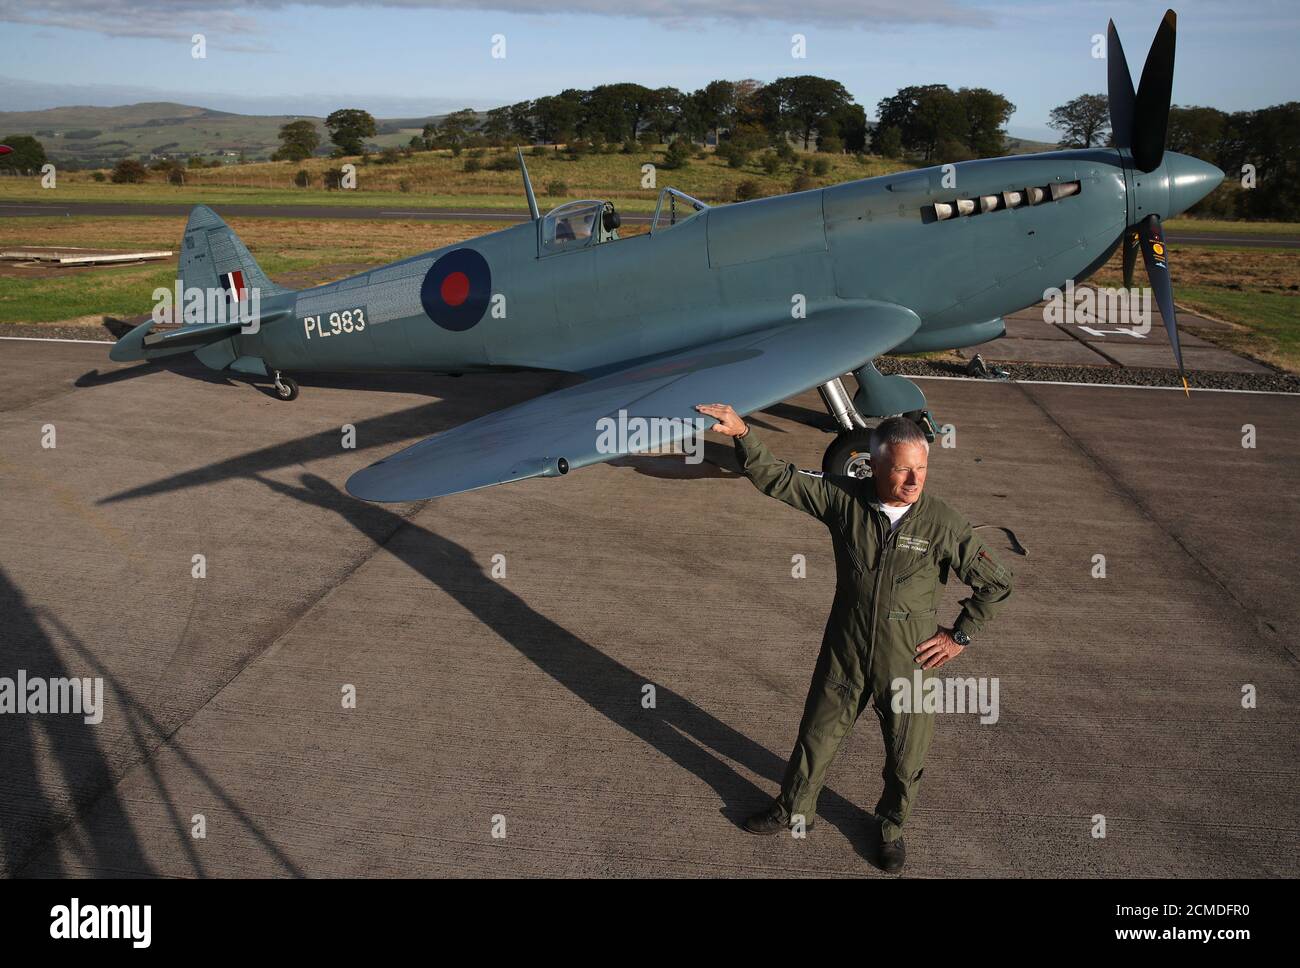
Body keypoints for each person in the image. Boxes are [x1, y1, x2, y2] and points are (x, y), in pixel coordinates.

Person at [695, 404, 1013, 872]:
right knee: (815, 738)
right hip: (845, 651)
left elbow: (997, 583)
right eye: (902, 469)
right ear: (875, 464)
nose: (913, 481)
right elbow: (780, 479)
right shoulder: (844, 498)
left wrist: (959, 635)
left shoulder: (943, 524)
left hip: (908, 662)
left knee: (906, 758)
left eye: (921, 469)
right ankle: (792, 809)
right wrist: (744, 433)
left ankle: (890, 829)